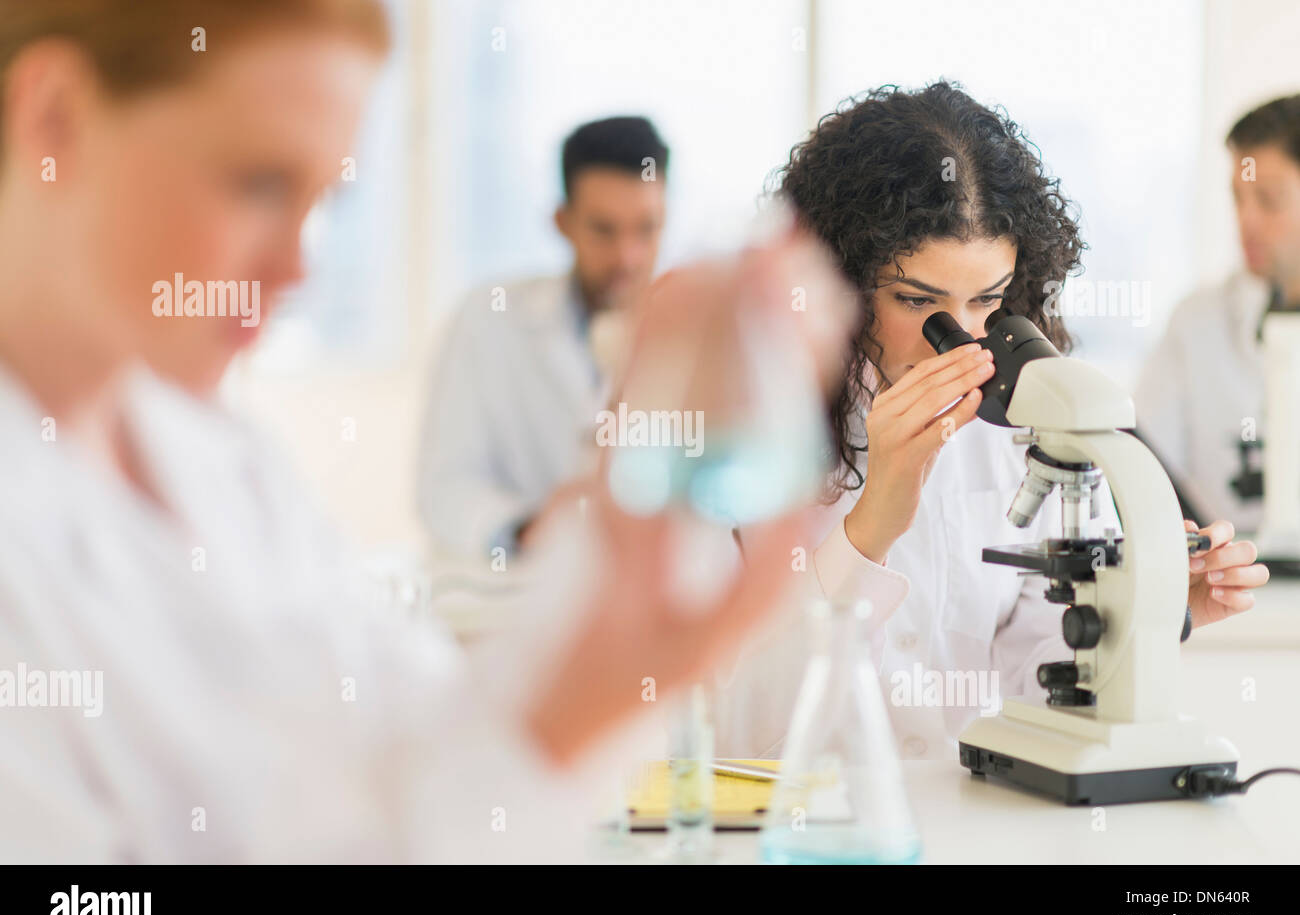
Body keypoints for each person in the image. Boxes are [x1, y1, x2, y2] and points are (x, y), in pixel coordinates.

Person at [0, 0, 837, 862]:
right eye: (259, 183)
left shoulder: (225, 465)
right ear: (56, 118)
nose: (298, 267)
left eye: (326, 197)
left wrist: (620, 607)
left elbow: (437, 759)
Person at [712, 83, 1269, 761]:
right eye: (919, 299)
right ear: (843, 279)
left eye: (989, 299)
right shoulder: (751, 420)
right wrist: (872, 524)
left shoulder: (1030, 416)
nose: (966, 339)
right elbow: (746, 723)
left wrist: (1146, 614)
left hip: (973, 815)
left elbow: (1031, 676)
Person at [417, 116, 669, 561]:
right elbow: (443, 488)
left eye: (646, 229)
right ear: (562, 221)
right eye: (604, 230)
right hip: (523, 593)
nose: (626, 257)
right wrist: (527, 530)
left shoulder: (695, 335)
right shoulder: (487, 320)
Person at [1135, 94, 1300, 533]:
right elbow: (1142, 466)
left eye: (1268, 200)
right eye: (1238, 198)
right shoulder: (1197, 323)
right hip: (1231, 584)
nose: (1246, 220)